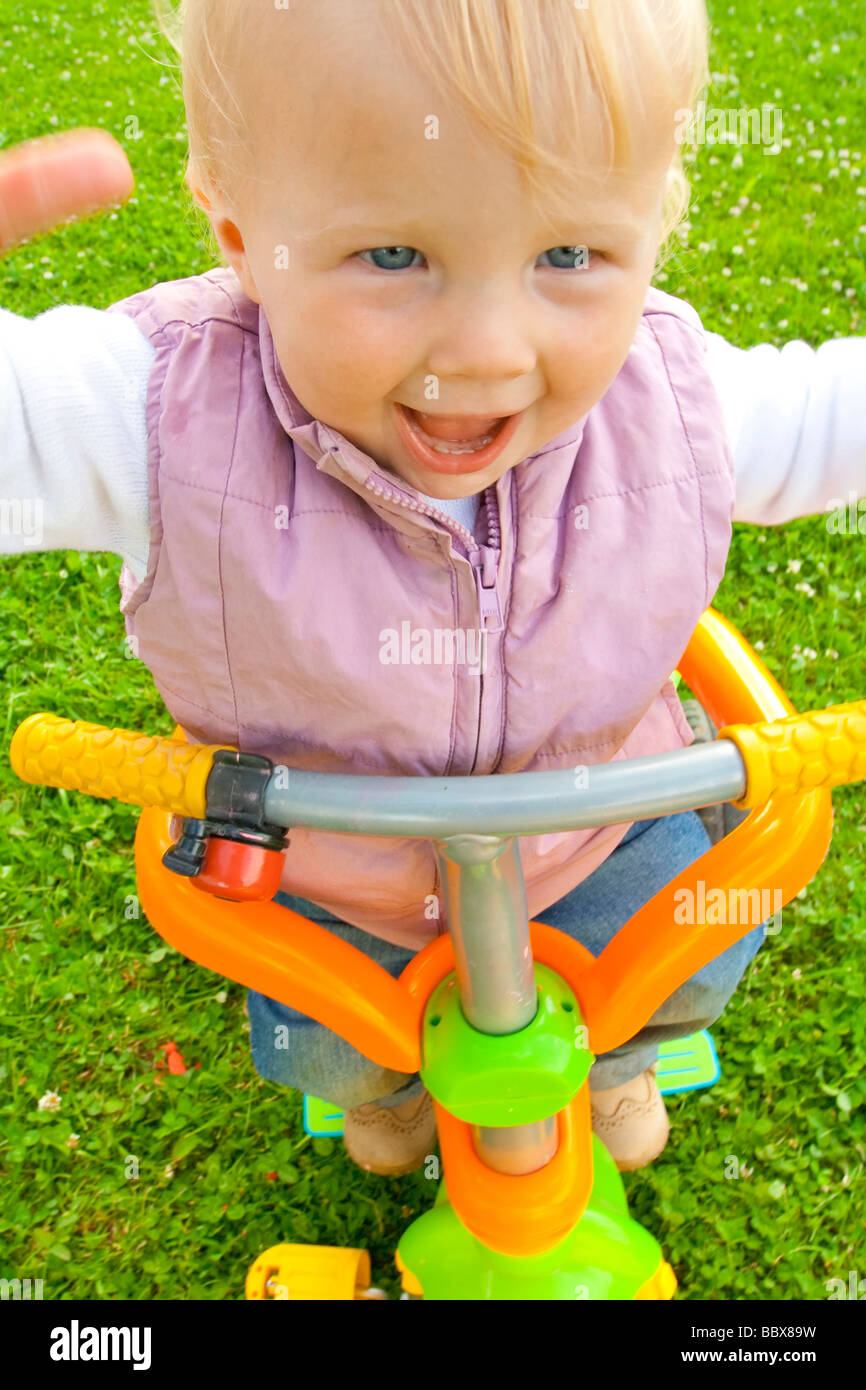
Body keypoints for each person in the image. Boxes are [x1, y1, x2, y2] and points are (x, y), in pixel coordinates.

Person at [1, 1, 864, 1179]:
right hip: (325, 881)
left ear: (653, 229)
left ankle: (611, 1065)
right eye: (393, 255)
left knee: (681, 963)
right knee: (337, 1050)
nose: (487, 351)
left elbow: (831, 417)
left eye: (569, 256)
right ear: (242, 234)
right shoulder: (155, 417)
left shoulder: (671, 402)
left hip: (596, 835)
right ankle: (387, 1093)